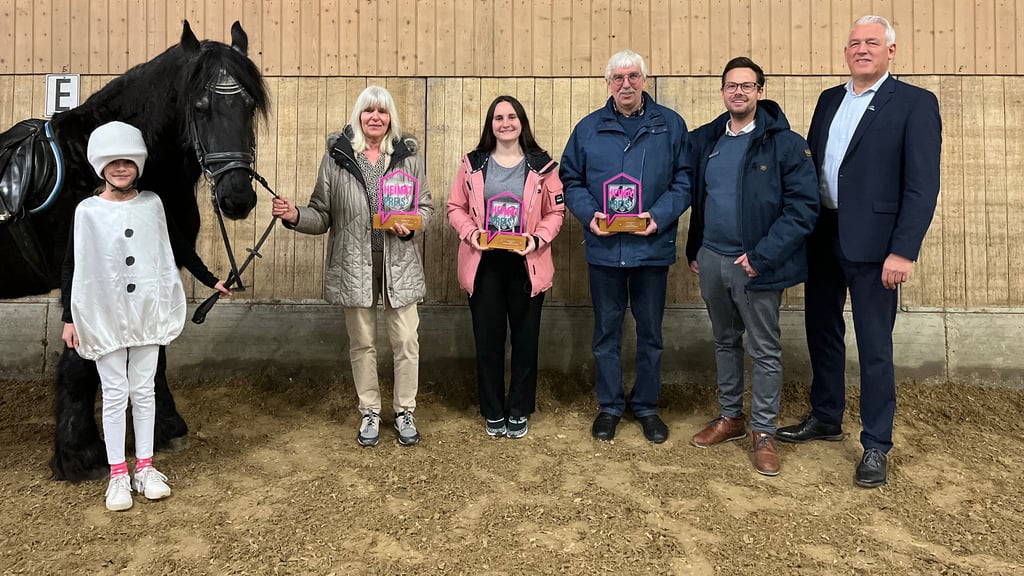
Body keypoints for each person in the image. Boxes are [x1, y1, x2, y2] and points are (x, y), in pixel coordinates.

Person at [776, 16, 942, 488]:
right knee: (822, 331)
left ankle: (876, 443)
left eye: (872, 42)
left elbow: (922, 186)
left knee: (874, 345)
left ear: (892, 50)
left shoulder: (914, 104)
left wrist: (903, 251)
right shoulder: (830, 100)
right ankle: (826, 415)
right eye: (854, 43)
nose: (862, 49)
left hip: (876, 246)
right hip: (823, 235)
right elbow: (813, 168)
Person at [61, 121, 230, 511]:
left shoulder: (152, 204)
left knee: (145, 391)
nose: (121, 169)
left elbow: (177, 246)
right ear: (101, 166)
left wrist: (210, 279)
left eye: (128, 162)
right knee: (115, 394)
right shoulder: (87, 211)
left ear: (137, 165)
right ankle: (118, 474)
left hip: (145, 313)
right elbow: (73, 265)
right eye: (113, 163)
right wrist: (71, 316)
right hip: (104, 314)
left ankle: (146, 468)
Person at [272, 85, 433, 448]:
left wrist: (412, 225)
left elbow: (426, 209)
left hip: (400, 264)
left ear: (391, 117)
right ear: (358, 116)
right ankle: (370, 411)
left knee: (407, 341)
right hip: (354, 264)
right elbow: (322, 214)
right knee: (362, 343)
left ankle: (405, 409)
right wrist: (296, 215)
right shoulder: (337, 158)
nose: (375, 117)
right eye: (368, 111)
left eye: (382, 111)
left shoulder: (408, 157)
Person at [685, 57, 819, 476]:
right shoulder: (709, 140)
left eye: (746, 86)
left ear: (761, 91)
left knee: (763, 349)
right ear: (722, 92)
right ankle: (731, 418)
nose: (738, 92)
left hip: (755, 266)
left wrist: (760, 257)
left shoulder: (786, 143)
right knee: (725, 340)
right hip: (711, 258)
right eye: (731, 86)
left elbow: (803, 209)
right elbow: (700, 196)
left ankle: (764, 431)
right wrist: (697, 249)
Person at [560, 50, 692, 443]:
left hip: (651, 248)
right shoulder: (588, 129)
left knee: (651, 333)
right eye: (617, 78)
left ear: (645, 81)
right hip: (604, 250)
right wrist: (589, 215)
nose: (626, 84)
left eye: (633, 76)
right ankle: (611, 406)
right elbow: (570, 180)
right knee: (606, 333)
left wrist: (659, 216)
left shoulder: (670, 125)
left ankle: (648, 407)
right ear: (608, 84)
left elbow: (685, 179)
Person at [447, 95, 566, 439]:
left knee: (526, 340)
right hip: (484, 263)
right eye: (498, 118)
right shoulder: (472, 164)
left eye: (511, 117)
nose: (505, 123)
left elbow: (555, 212)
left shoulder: (543, 166)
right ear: (491, 125)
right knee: (488, 339)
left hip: (526, 263)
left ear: (522, 122)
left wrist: (536, 240)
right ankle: (493, 410)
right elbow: (455, 207)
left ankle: (519, 409)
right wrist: (472, 235)